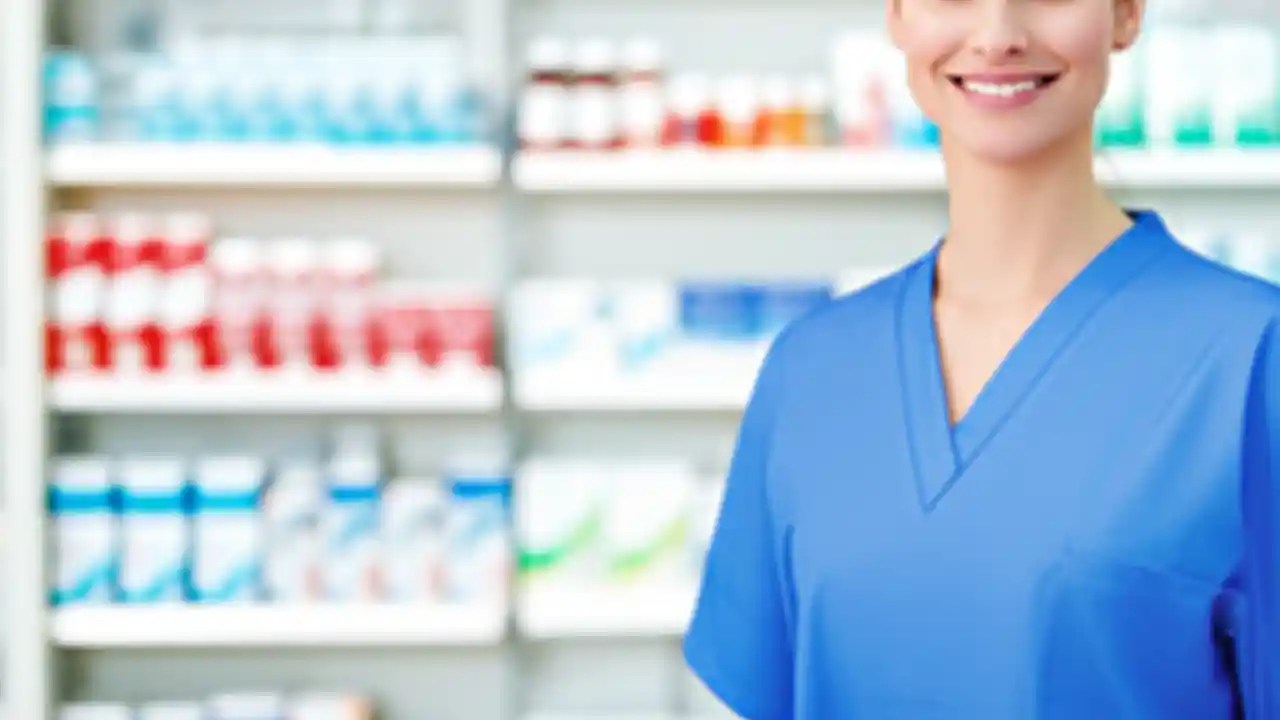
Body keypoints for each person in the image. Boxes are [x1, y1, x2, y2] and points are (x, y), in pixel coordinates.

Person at [683, 0, 1280, 717]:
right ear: (898, 15)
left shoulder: (1251, 359)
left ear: (1125, 15)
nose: (999, 35)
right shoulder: (810, 373)